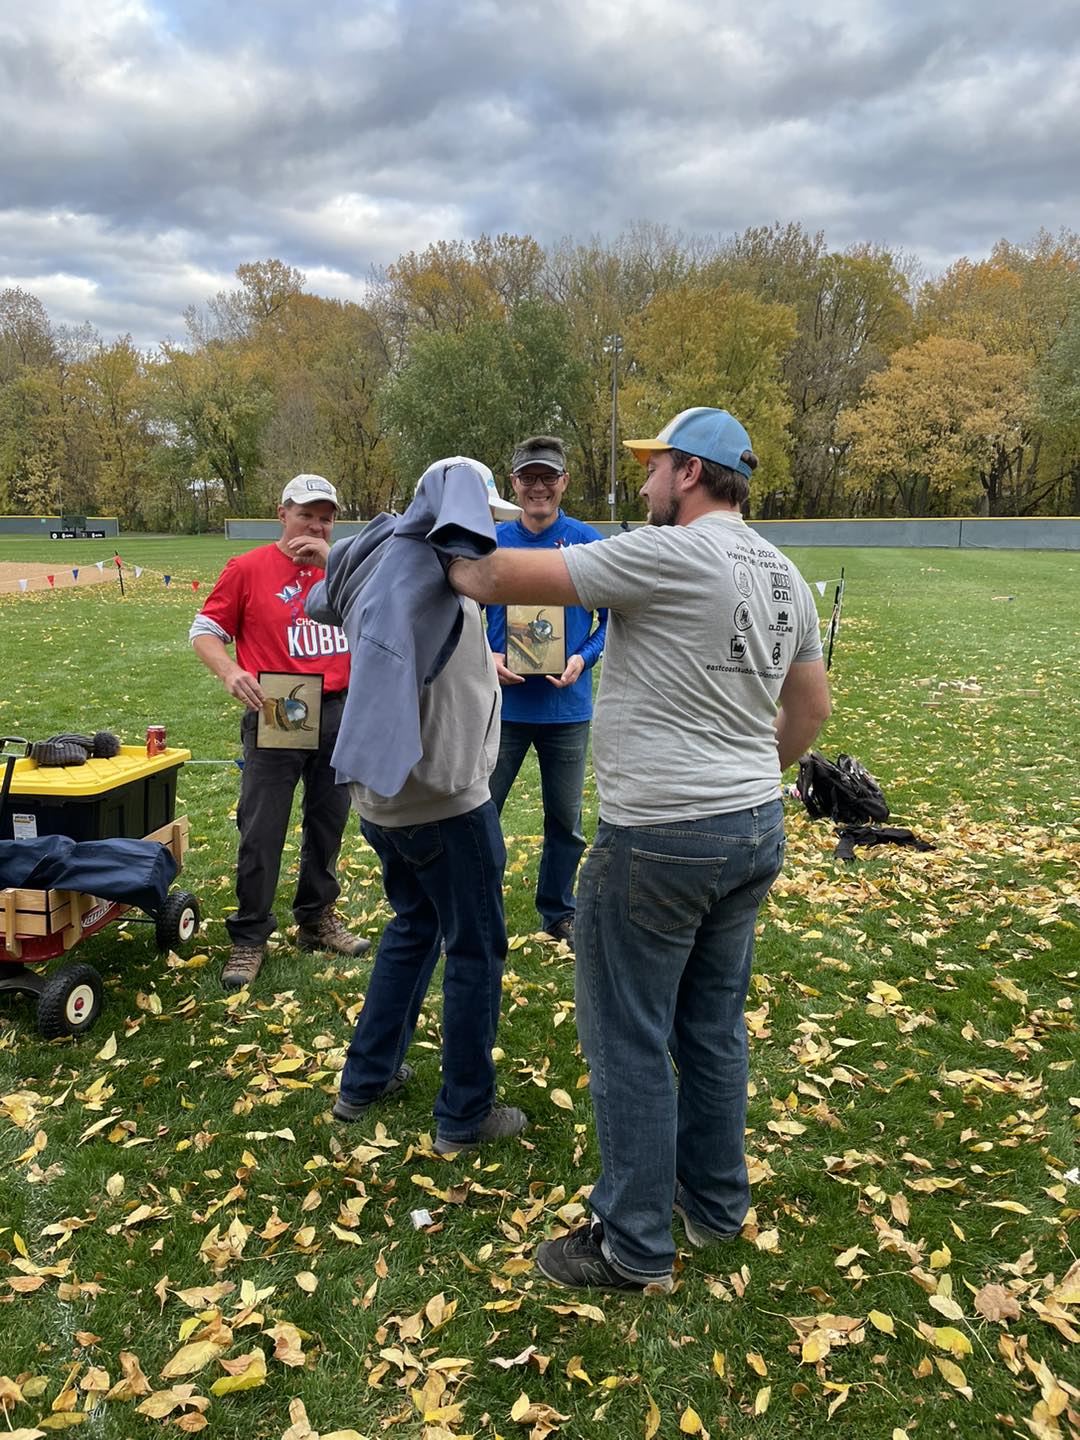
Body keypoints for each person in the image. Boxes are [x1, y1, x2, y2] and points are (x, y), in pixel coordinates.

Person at [449, 407, 831, 1290]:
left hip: (659, 836)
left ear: (691, 472)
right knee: (710, 1024)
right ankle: (715, 1206)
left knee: (626, 1033)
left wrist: (430, 534)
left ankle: (633, 1245)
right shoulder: (783, 572)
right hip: (751, 826)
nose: (648, 482)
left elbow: (495, 575)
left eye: (656, 467)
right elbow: (809, 713)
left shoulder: (667, 552)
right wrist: (740, 779)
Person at [305, 458, 528, 1156]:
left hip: (387, 802)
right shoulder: (420, 578)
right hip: (442, 804)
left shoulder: (395, 567)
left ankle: (365, 1079)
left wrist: (476, 662)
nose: (488, 530)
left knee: (414, 927)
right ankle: (465, 1114)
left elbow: (416, 655)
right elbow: (403, 644)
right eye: (483, 517)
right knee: (474, 949)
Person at [190, 474, 370, 991]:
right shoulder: (248, 568)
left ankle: (316, 919)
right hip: (280, 704)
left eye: (325, 516)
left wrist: (333, 563)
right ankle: (250, 937)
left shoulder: (347, 569)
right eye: (306, 513)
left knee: (328, 822)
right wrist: (230, 671)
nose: (315, 524)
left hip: (338, 707)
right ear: (282, 513)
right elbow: (205, 631)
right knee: (263, 827)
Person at [484, 436, 607, 949]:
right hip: (501, 706)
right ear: (513, 483)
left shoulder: (587, 540)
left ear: (564, 483)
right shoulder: (486, 540)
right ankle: (477, 911)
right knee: (480, 815)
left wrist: (583, 656)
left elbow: (612, 621)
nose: (538, 488)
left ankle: (558, 911)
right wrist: (482, 658)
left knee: (566, 821)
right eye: (527, 478)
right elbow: (456, 615)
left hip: (566, 708)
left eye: (547, 477)